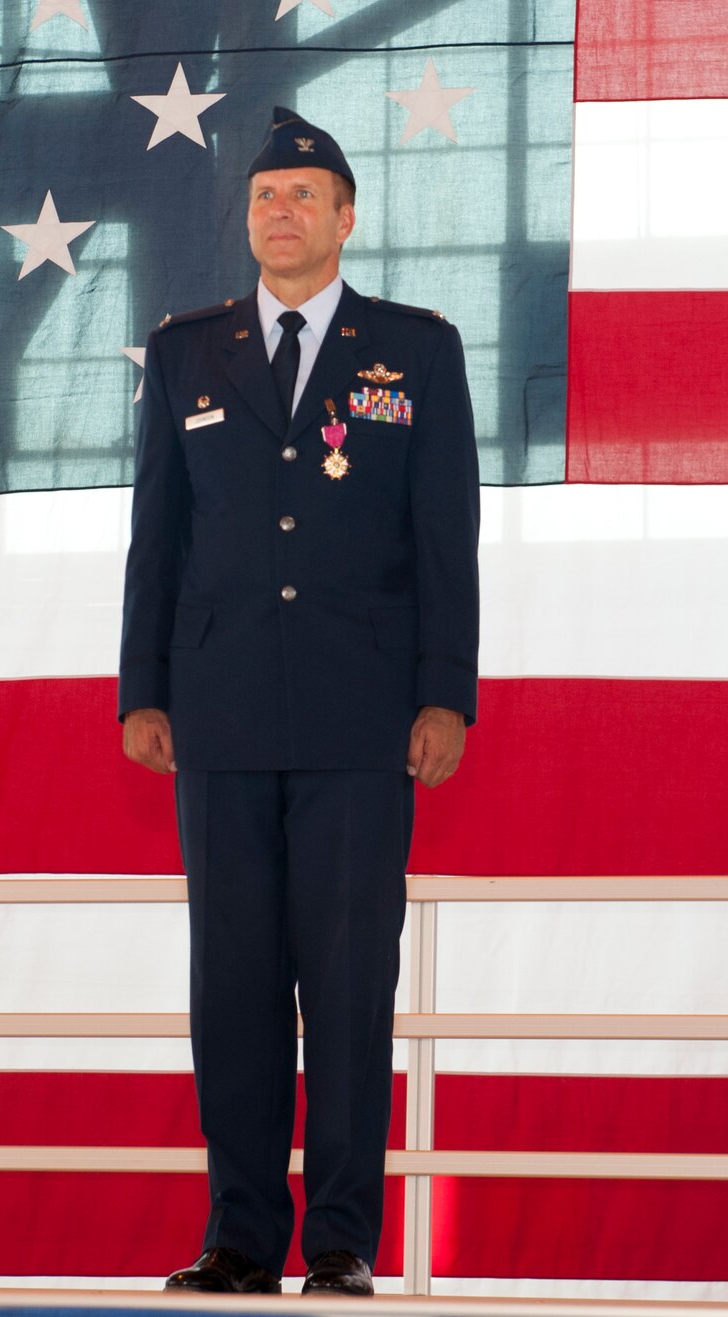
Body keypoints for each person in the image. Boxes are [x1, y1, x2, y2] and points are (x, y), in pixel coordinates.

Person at [118, 107, 480, 1296]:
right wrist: (142, 688)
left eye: (303, 195)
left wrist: (444, 696)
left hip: (362, 710)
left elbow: (444, 539)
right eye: (265, 194)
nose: (280, 210)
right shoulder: (186, 350)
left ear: (346, 217)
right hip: (216, 705)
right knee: (229, 982)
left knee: (344, 980)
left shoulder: (413, 349)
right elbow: (156, 538)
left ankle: (337, 1237)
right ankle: (237, 1233)